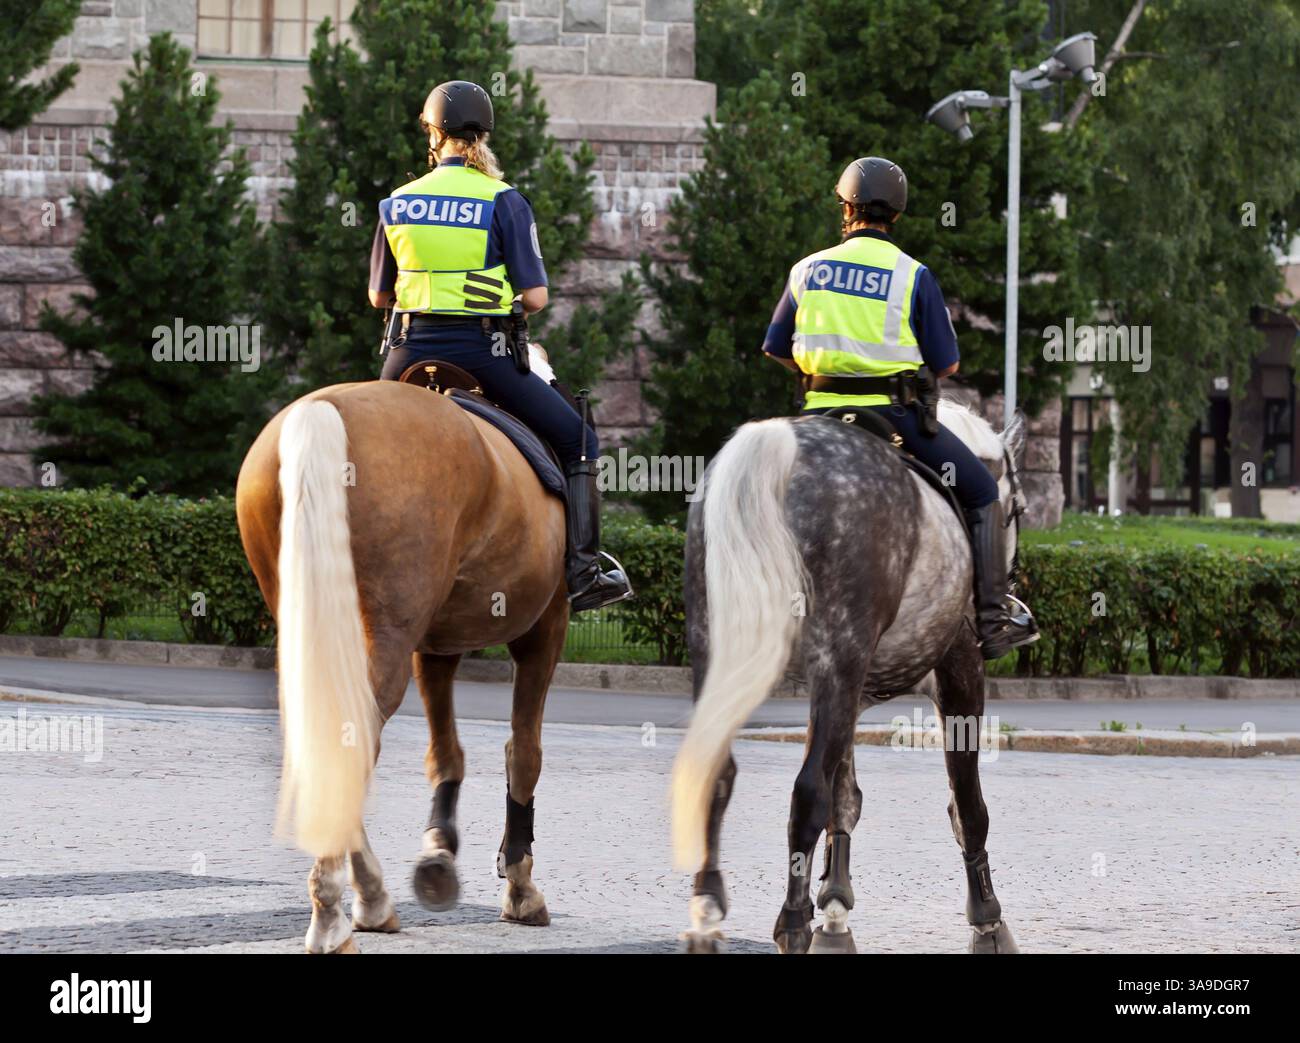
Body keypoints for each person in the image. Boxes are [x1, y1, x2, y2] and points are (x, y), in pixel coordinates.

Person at [369, 79, 630, 612]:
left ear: (432, 134)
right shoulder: (503, 200)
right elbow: (534, 297)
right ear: (482, 136)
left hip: (407, 354)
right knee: (578, 438)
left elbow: (378, 295)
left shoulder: (396, 202)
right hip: (481, 355)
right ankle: (583, 574)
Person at [761, 156, 1037, 659]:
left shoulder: (807, 270)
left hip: (815, 419)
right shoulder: (913, 275)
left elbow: (776, 347)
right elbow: (947, 365)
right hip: (892, 418)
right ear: (898, 215)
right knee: (980, 492)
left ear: (846, 207)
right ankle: (995, 621)